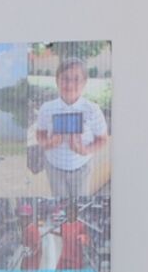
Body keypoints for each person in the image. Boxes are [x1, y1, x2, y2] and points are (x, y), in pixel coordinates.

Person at [33, 58, 109, 198]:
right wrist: (48, 143)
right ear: (57, 80)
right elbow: (40, 134)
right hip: (54, 167)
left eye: (76, 79)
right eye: (65, 78)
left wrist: (84, 150)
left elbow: (102, 139)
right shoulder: (47, 108)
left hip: (82, 168)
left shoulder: (92, 110)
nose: (69, 84)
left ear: (85, 82)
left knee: (79, 201)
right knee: (60, 200)